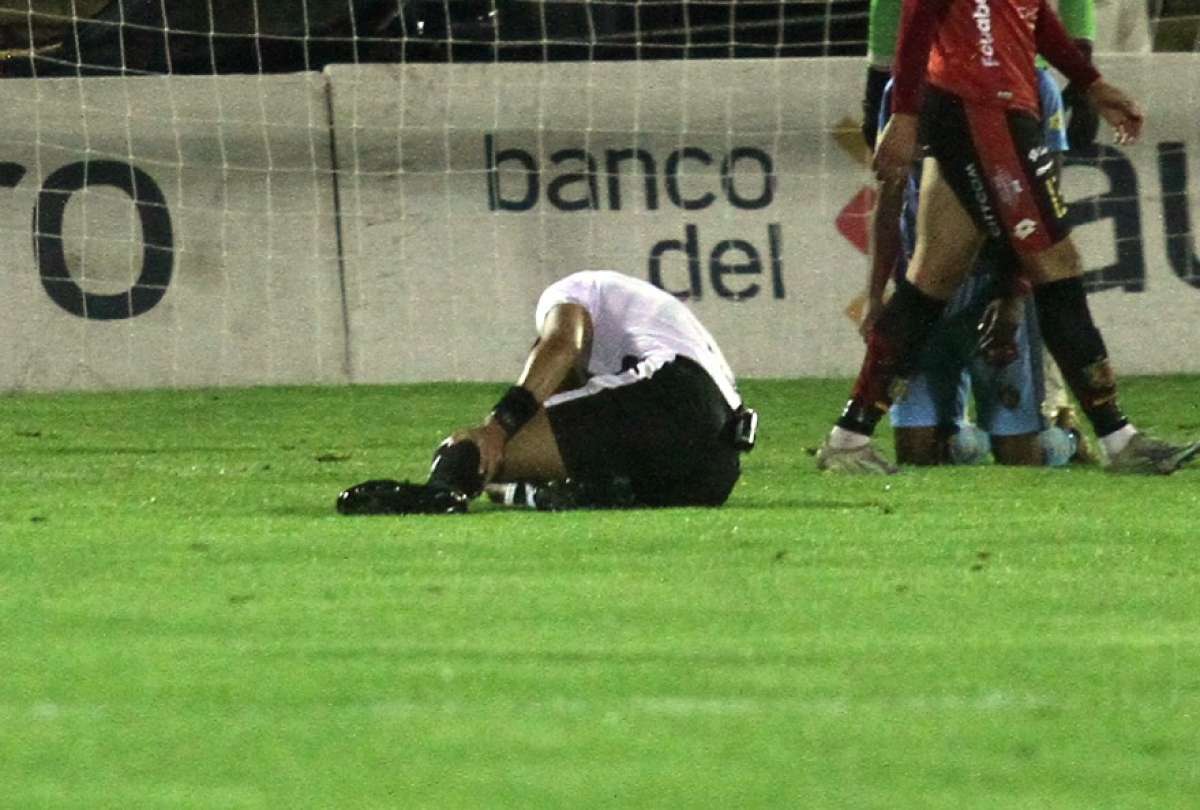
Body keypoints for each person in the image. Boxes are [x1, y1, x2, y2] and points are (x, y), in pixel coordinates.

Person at [822, 0, 1198, 475]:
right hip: (983, 107)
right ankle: (1118, 438)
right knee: (1057, 265)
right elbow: (918, 14)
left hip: (981, 104)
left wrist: (1092, 83)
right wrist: (905, 114)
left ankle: (848, 438)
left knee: (931, 276)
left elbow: (1036, 16)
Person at [336, 270, 757, 515]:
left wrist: (500, 426)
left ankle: (439, 494)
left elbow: (562, 346)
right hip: (717, 465)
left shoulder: (572, 290)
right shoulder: (635, 329)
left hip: (670, 396)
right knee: (593, 480)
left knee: (469, 452)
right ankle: (553, 494)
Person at [866, 69, 1079, 466]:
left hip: (994, 285)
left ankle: (1064, 437)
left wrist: (1013, 294)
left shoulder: (1034, 84)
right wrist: (876, 296)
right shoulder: (903, 88)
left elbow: (1041, 203)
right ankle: (961, 439)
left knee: (1020, 455)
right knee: (916, 452)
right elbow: (889, 196)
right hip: (924, 286)